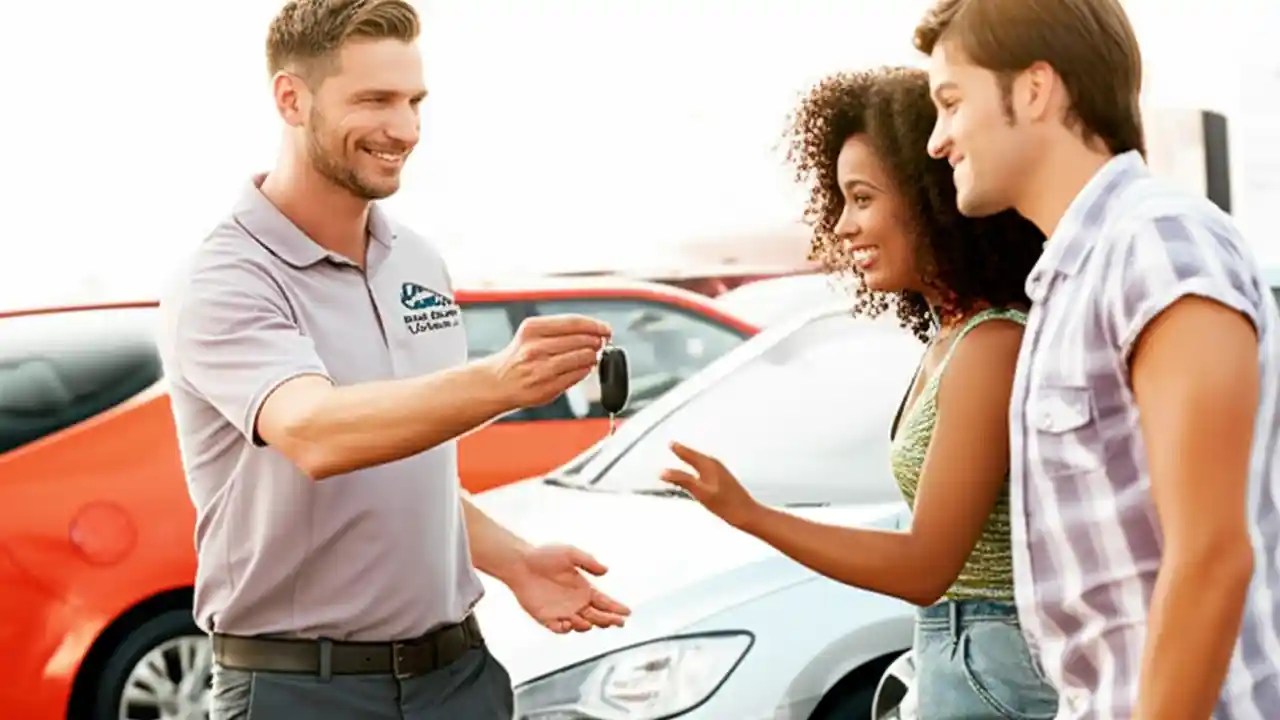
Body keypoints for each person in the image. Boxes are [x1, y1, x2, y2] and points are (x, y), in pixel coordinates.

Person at [156, 2, 630, 718]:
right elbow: (317, 432)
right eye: (374, 100)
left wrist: (511, 560)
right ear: (292, 98)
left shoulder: (415, 259)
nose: (405, 129)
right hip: (300, 692)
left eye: (413, 101)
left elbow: (406, 466)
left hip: (459, 677)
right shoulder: (224, 278)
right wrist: (500, 381)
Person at [914, 1, 1280, 718]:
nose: (938, 140)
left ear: (1035, 89)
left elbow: (1210, 556)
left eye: (951, 103)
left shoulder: (1156, 243)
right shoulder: (1073, 274)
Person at [659, 66, 1058, 718]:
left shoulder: (992, 347)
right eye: (840, 200)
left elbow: (926, 565)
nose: (843, 226)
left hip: (989, 657)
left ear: (930, 200)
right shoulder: (952, 338)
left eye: (863, 198)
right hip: (957, 648)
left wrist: (752, 514)